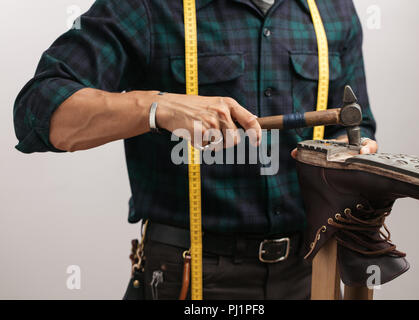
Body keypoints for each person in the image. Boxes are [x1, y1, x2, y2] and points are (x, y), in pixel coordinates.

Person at [13, 0, 378, 299]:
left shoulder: (333, 9)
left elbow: (355, 127)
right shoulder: (147, 7)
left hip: (308, 273)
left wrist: (357, 156)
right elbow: (39, 112)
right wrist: (157, 107)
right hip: (189, 276)